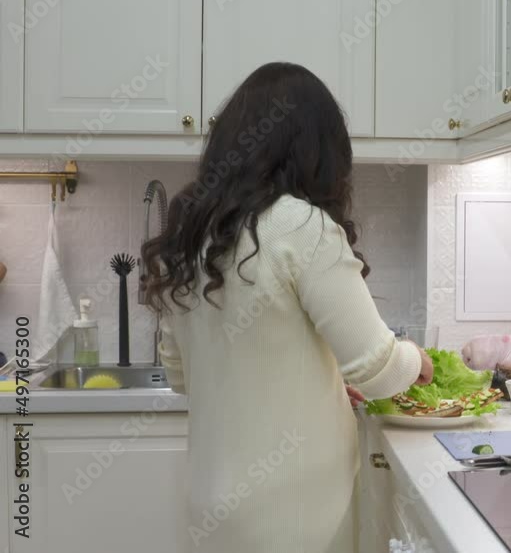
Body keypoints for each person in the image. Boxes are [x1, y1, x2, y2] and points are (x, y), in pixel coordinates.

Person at [141, 62, 433, 553]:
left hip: (211, 511)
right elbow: (376, 367)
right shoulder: (301, 227)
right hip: (295, 518)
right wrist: (417, 360)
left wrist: (318, 382)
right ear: (318, 149)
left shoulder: (195, 235)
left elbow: (182, 375)